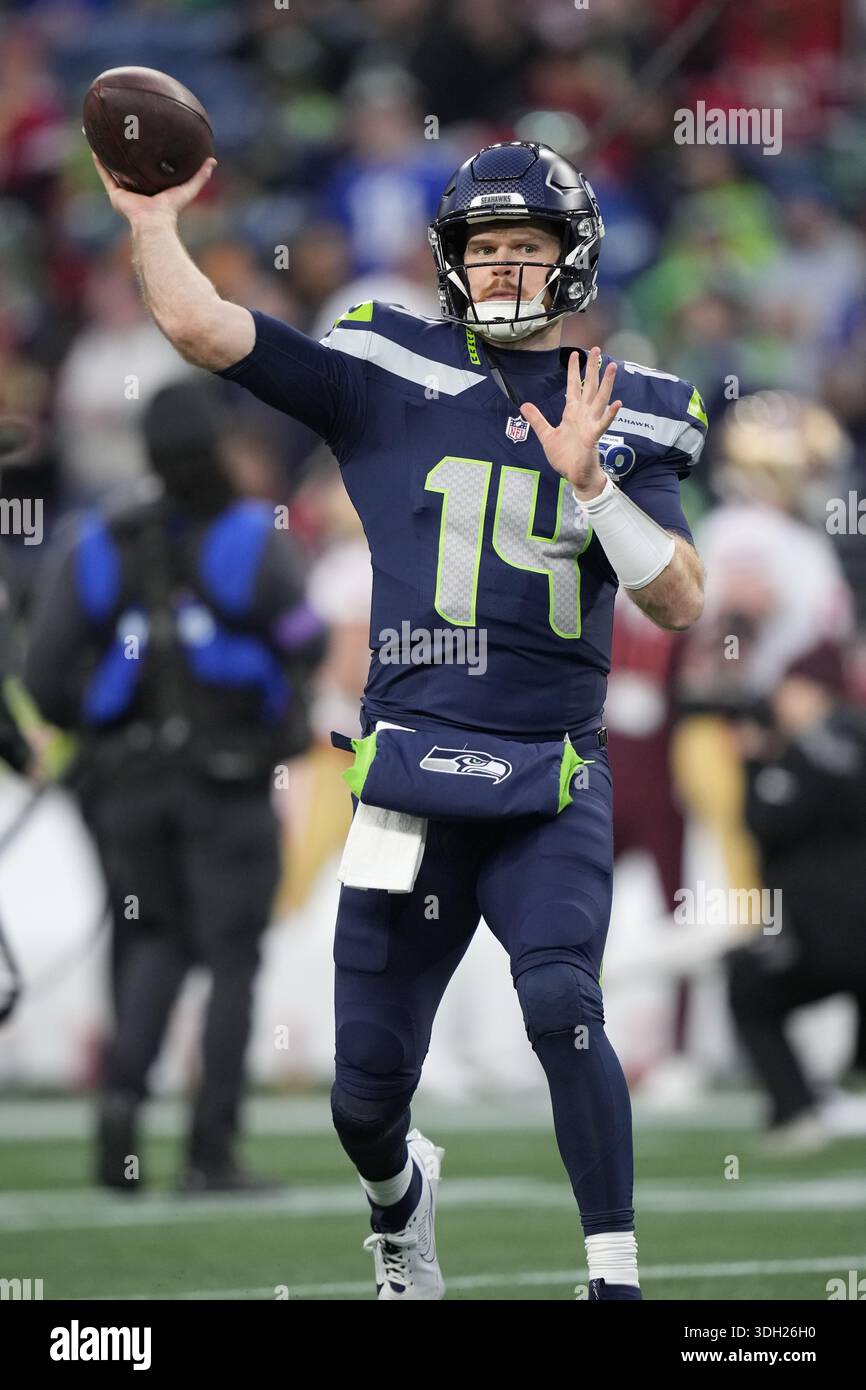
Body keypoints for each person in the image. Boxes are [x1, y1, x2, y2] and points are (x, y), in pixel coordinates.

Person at [91, 139, 706, 1297]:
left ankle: (613, 1278)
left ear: (573, 261)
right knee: (362, 1092)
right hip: (406, 778)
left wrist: (592, 483)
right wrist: (153, 219)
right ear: (449, 259)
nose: (508, 267)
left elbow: (677, 601)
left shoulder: (632, 407)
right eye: (487, 247)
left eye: (529, 247)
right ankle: (398, 1202)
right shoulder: (383, 362)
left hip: (547, 774)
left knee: (562, 999)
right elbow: (206, 329)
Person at [25, 379, 327, 1192]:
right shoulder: (252, 535)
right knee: (232, 959)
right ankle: (211, 1152)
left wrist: (108, 718)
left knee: (153, 942)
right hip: (229, 783)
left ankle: (117, 1135)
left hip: (126, 785)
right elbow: (304, 641)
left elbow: (45, 677)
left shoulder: (97, 540)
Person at [726, 643, 866, 1152]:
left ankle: (797, 1110)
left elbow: (763, 824)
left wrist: (752, 764)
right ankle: (847, 1080)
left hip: (826, 932)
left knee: (749, 988)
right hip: (845, 930)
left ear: (813, 691)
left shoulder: (811, 751)